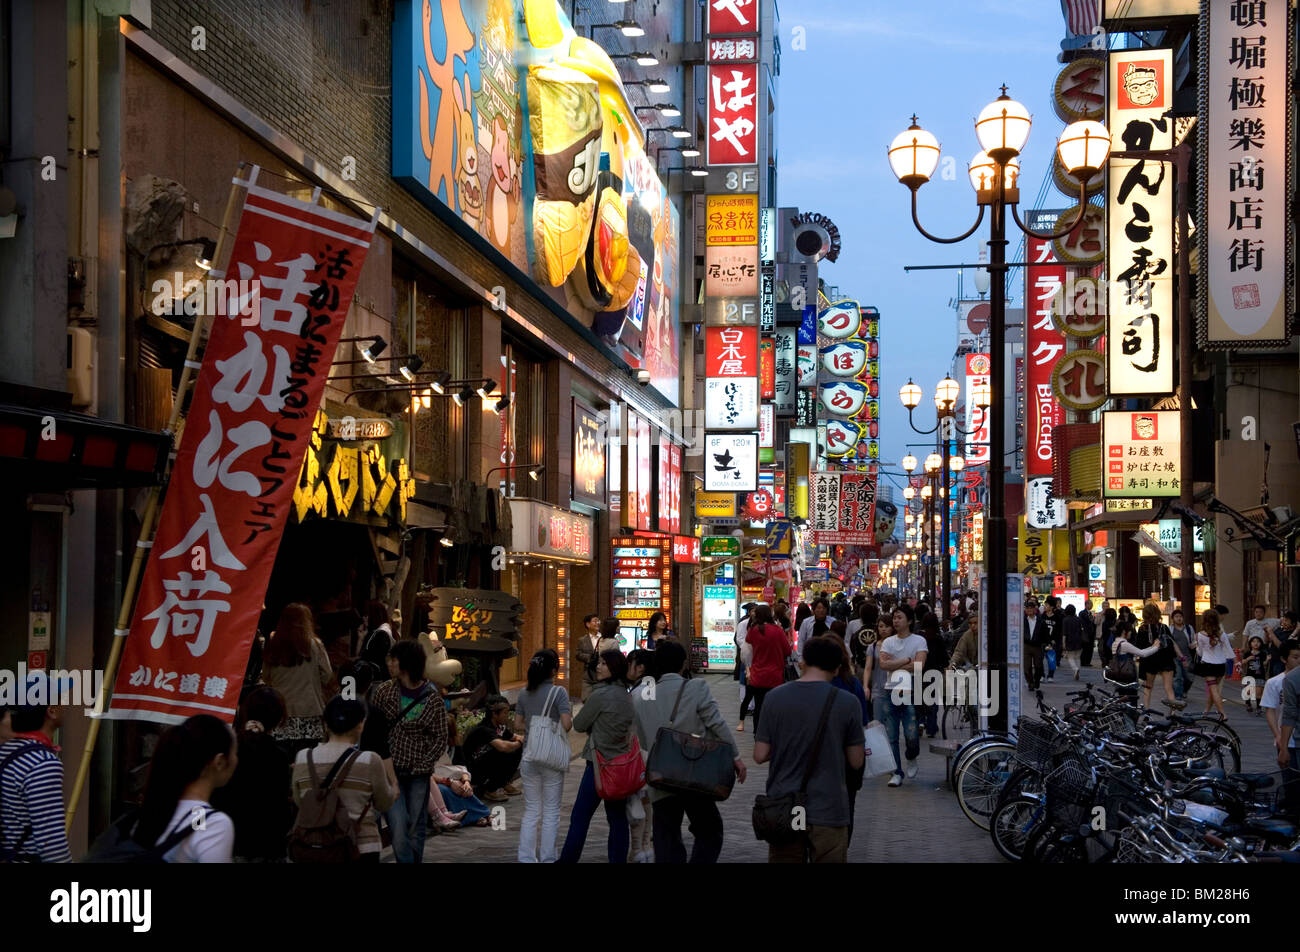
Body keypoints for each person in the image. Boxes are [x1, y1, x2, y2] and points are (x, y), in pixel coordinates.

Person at [754, 636, 865, 863]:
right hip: (829, 807)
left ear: (802, 661)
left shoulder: (774, 697)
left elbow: (760, 754)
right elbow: (856, 761)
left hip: (787, 806)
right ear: (837, 667)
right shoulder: (848, 702)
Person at [631, 640, 744, 864]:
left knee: (665, 833)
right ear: (683, 665)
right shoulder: (696, 687)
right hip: (695, 770)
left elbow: (642, 738)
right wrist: (736, 757)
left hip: (660, 772)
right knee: (709, 829)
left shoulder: (640, 695)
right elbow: (717, 724)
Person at [291, 696, 396, 862]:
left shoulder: (303, 757)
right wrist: (393, 788)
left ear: (325, 724)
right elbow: (384, 803)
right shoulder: (370, 760)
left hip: (315, 847)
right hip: (360, 847)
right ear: (361, 725)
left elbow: (300, 801)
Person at [372, 638, 446, 864]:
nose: (389, 664)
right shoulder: (384, 692)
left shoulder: (431, 697)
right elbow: (374, 732)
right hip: (388, 770)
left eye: (393, 659)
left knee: (416, 824)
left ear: (405, 663)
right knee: (397, 825)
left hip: (418, 772)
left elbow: (440, 736)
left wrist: (424, 763)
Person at [558, 649, 635, 863]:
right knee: (618, 820)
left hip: (598, 766)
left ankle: (567, 860)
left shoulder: (600, 695)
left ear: (614, 668)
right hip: (620, 766)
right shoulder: (626, 695)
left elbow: (580, 724)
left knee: (580, 817)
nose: (598, 667)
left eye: (603, 663)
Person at [133, 715, 238, 862]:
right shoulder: (214, 824)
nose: (236, 759)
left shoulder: (152, 810)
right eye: (234, 752)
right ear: (219, 762)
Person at [210, 686, 294, 861]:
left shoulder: (227, 749)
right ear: (279, 719)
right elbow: (279, 807)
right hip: (265, 845)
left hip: (227, 841)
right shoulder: (278, 756)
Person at [0, 673, 71, 862]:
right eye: (61, 699)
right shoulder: (42, 764)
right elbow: (52, 845)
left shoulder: (6, 752)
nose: (66, 705)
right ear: (52, 710)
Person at [513, 647, 575, 858]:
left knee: (531, 811)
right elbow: (566, 725)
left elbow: (518, 724)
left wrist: (534, 724)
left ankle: (526, 858)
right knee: (550, 812)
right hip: (550, 758)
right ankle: (548, 858)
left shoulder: (523, 692)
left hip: (530, 756)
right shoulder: (559, 692)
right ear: (553, 670)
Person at [262, 602, 336, 756]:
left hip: (281, 714)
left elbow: (266, 677)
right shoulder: (315, 645)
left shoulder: (273, 644)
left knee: (282, 761)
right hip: (310, 712)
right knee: (309, 765)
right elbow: (327, 675)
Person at [877, 607, 928, 787]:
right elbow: (883, 664)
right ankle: (896, 772)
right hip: (890, 691)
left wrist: (895, 665)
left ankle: (911, 756)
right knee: (891, 735)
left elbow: (920, 666)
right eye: (894, 618)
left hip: (910, 691)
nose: (896, 621)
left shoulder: (919, 640)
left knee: (911, 733)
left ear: (910, 621)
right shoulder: (888, 642)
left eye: (899, 617)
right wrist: (906, 661)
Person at [829, 638, 869, 843]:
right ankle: (842, 846)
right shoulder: (852, 684)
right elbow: (862, 721)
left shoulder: (803, 688)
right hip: (846, 758)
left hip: (814, 761)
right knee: (847, 806)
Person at [740, 604, 792, 733]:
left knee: (758, 706)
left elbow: (746, 651)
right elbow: (787, 651)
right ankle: (771, 732)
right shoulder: (777, 630)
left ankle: (757, 733)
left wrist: (748, 668)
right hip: (775, 676)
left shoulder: (753, 630)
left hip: (758, 675)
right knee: (774, 707)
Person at [624, 649, 656, 862]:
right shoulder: (654, 688)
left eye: (631, 663)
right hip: (655, 753)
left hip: (639, 754)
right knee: (648, 803)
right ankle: (645, 847)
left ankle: (637, 849)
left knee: (638, 803)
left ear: (640, 667)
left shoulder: (636, 694)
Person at [462, 695, 523, 802]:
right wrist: (519, 742)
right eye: (505, 713)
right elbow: (503, 747)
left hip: (485, 764)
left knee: (515, 747)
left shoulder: (499, 727)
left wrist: (523, 739)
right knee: (501, 750)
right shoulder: (484, 729)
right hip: (472, 770)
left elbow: (515, 737)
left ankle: (503, 783)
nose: (507, 716)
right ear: (495, 714)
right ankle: (491, 789)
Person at [1134, 602, 1178, 710]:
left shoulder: (1142, 629)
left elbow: (1139, 647)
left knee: (1148, 687)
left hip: (1150, 660)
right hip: (1166, 659)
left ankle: (1147, 711)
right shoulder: (1164, 627)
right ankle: (1173, 714)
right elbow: (1172, 643)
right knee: (1168, 688)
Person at [1261, 643, 1299, 766]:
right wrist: (1278, 735)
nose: (1299, 661)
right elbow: (1270, 710)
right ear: (1284, 659)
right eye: (1295, 657)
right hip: (1287, 738)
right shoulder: (1274, 682)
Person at [1106, 620, 1164, 700]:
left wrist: (1153, 646)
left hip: (1120, 675)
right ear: (1124, 631)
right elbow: (1142, 654)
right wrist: (1157, 647)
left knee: (1122, 699)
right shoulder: (1124, 644)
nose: (1131, 633)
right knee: (1131, 700)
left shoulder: (1116, 642)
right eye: (1130, 631)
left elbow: (1138, 651)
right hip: (1127, 676)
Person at [1195, 609, 1232, 720]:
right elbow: (1228, 649)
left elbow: (1200, 651)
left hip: (1208, 664)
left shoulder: (1200, 635)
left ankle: (1222, 713)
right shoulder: (1222, 634)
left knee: (1213, 690)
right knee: (1213, 690)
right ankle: (1206, 711)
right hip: (1221, 665)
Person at [917, 614, 948, 737]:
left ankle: (920, 721)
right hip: (934, 671)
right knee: (933, 700)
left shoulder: (919, 637)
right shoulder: (937, 637)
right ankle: (931, 727)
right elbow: (944, 658)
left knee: (919, 698)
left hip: (919, 670)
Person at [1168, 608, 1197, 704]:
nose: (1179, 618)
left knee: (1189, 677)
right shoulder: (1170, 629)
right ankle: (1178, 695)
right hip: (1174, 657)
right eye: (1176, 617)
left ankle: (1184, 690)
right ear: (1173, 619)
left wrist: (1194, 644)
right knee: (1178, 676)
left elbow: (1193, 640)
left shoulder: (1188, 628)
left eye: (1180, 616)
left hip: (1187, 655)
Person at [359, 600, 395, 671]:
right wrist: (361, 639)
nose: (363, 618)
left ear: (374, 615)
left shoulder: (381, 634)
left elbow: (369, 660)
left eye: (366, 615)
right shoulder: (376, 633)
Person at [574, 614, 603, 699]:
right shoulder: (582, 640)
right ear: (588, 624)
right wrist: (590, 657)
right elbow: (578, 654)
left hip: (603, 675)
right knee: (587, 700)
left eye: (598, 621)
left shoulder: (604, 638)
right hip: (588, 675)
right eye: (595, 621)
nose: (597, 623)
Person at [1024, 598, 1047, 691]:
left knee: (1038, 666)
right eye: (1027, 608)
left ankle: (1036, 680)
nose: (1029, 610)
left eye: (1031, 608)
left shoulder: (1040, 620)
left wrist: (1047, 643)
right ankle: (1030, 683)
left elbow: (1045, 633)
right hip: (1026, 645)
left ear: (1035, 609)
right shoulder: (1023, 620)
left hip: (1037, 645)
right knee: (1026, 666)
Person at [1242, 636, 1269, 713]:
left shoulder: (1263, 653)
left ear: (1261, 644)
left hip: (1260, 675)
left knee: (1258, 693)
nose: (1256, 643)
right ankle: (1248, 704)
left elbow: (1264, 664)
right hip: (1249, 675)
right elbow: (1243, 662)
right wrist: (1248, 659)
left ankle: (1258, 707)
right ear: (1250, 644)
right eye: (1253, 641)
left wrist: (1267, 660)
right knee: (1248, 692)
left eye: (1258, 642)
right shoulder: (1247, 653)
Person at [1040, 597, 1062, 683]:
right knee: (1039, 659)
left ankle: (1050, 675)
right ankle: (1041, 675)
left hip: (1052, 642)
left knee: (1051, 659)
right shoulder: (1042, 616)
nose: (1045, 607)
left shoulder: (1057, 617)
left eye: (1047, 605)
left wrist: (1055, 640)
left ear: (1052, 607)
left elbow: (1059, 630)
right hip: (1042, 641)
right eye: (1045, 605)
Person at [1061, 605, 1084, 680]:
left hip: (1069, 640)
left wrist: (1063, 643)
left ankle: (1075, 669)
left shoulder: (1065, 620)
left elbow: (1064, 633)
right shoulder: (1078, 619)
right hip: (1079, 640)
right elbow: (1081, 630)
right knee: (1077, 657)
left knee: (1070, 657)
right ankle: (1077, 671)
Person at [1079, 600, 1097, 668]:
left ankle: (1088, 661)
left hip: (1091, 633)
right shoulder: (1082, 613)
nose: (1091, 606)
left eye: (1092, 604)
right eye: (1090, 604)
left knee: (1090, 648)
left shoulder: (1091, 613)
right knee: (1085, 648)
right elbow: (1084, 622)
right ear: (1086, 605)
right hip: (1085, 633)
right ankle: (1083, 661)